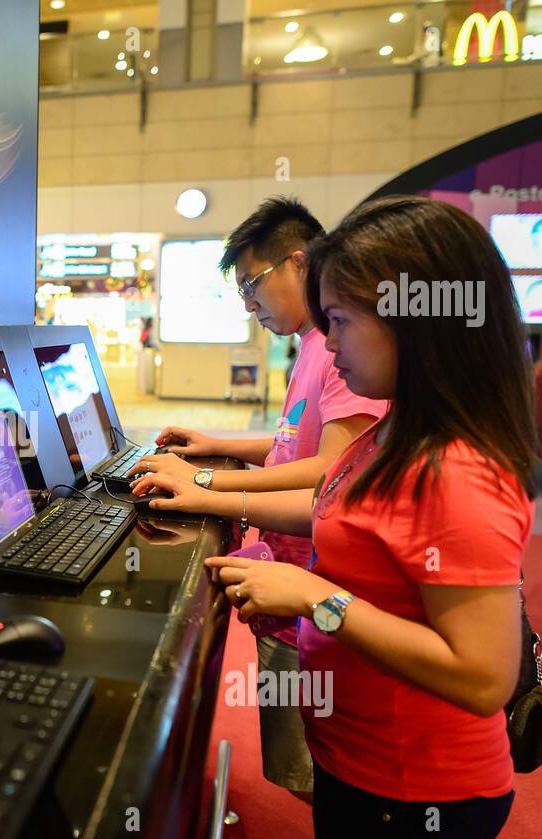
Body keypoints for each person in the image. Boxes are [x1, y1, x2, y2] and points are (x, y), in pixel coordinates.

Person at [136, 195, 537, 839]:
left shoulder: (459, 472)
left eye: (343, 321)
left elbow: (482, 676)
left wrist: (312, 595)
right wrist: (204, 488)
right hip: (361, 767)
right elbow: (325, 502)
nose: (331, 343)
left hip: (412, 795)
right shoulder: (395, 431)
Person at [129, 197, 387, 801]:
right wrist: (218, 447)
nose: (248, 304)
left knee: (320, 771)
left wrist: (210, 486)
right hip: (294, 588)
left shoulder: (342, 351)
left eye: (252, 284)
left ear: (299, 263)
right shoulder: (317, 346)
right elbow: (297, 444)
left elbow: (328, 479)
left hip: (314, 592)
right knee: (309, 764)